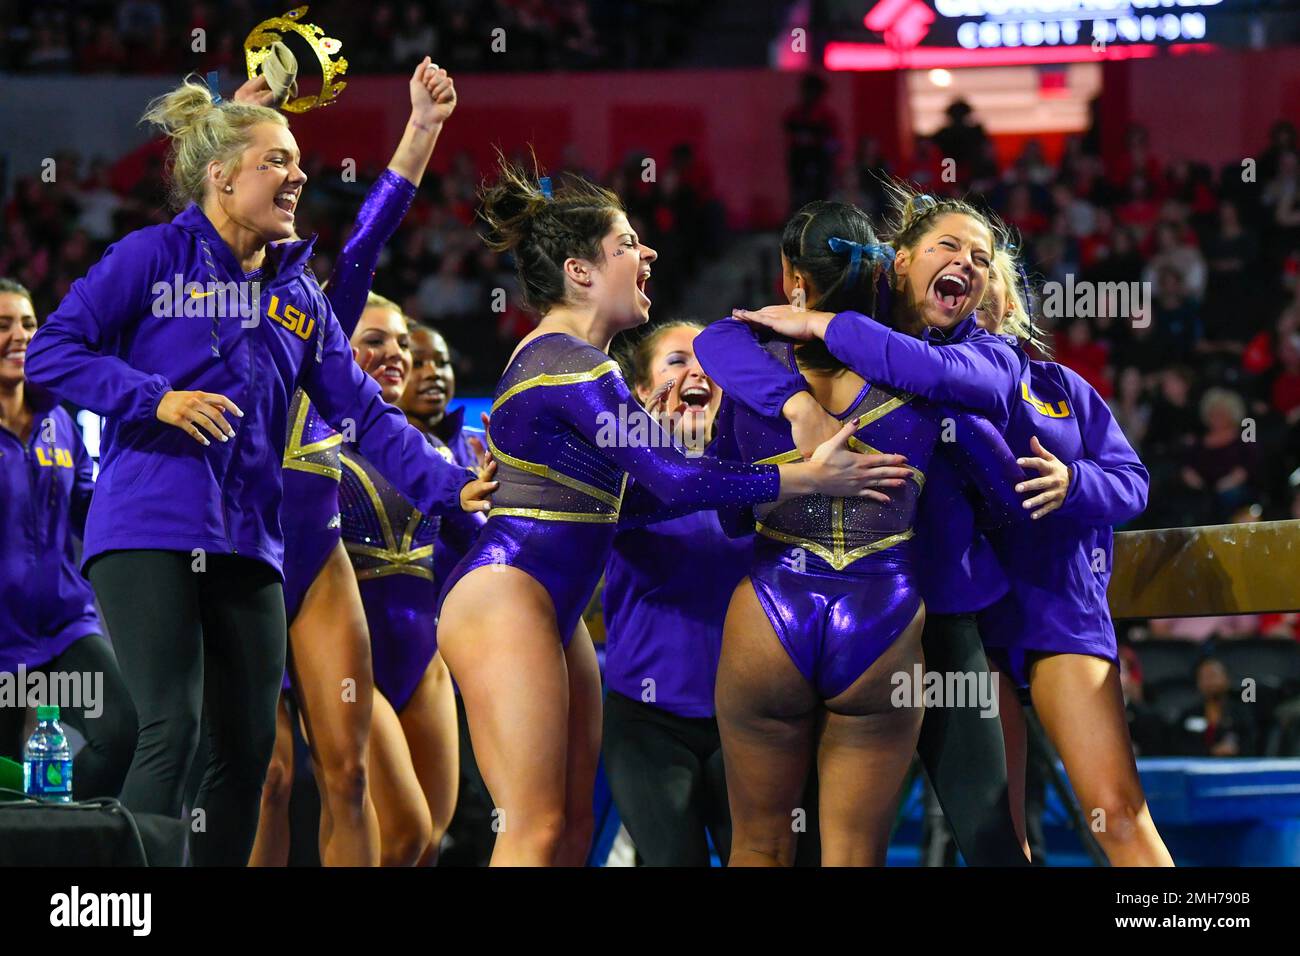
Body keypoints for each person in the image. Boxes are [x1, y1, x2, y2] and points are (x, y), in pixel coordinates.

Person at [23, 74, 492, 866]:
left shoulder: (297, 293)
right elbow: (53, 350)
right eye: (278, 161)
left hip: (253, 548)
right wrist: (154, 399)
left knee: (245, 759)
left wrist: (451, 487)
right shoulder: (150, 257)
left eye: (301, 163)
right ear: (223, 175)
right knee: (173, 727)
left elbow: (366, 413)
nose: (300, 177)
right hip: (148, 532)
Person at [435, 156, 902, 866]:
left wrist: (788, 471)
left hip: (545, 603)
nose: (647, 252)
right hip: (507, 594)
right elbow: (680, 482)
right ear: (580, 272)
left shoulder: (578, 365)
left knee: (566, 830)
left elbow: (658, 493)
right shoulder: (572, 367)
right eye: (627, 244)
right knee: (531, 827)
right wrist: (807, 477)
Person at [697, 188, 1033, 865]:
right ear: (889, 267)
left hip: (772, 606)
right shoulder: (929, 389)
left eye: (978, 256)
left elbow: (730, 513)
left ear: (794, 280)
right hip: (882, 619)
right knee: (854, 852)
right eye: (950, 247)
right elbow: (1005, 496)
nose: (966, 264)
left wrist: (791, 413)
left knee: (758, 846)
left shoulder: (751, 381)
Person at [251, 58, 467, 868]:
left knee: (401, 824)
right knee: (269, 781)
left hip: (329, 578)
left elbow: (367, 239)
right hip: (246, 567)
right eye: (372, 339)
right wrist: (236, 124)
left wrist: (421, 129)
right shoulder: (204, 317)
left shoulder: (316, 329)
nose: (393, 356)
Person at [972, 247, 1174, 865]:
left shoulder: (1061, 387)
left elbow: (1132, 484)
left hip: (1061, 608)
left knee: (1115, 811)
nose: (978, 300)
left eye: (992, 288)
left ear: (1012, 306)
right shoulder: (917, 394)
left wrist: (1073, 483)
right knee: (999, 836)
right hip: (971, 623)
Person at [600, 320, 748, 866]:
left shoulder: (760, 469)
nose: (697, 372)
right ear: (640, 393)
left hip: (751, 723)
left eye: (711, 363)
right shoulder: (615, 476)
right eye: (678, 361)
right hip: (648, 722)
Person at [0, 278, 137, 799]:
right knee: (4, 768)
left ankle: (50, 819)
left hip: (63, 624)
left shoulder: (59, 420)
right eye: (4, 325)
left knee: (121, 732)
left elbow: (93, 511)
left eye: (30, 325)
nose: (21, 337)